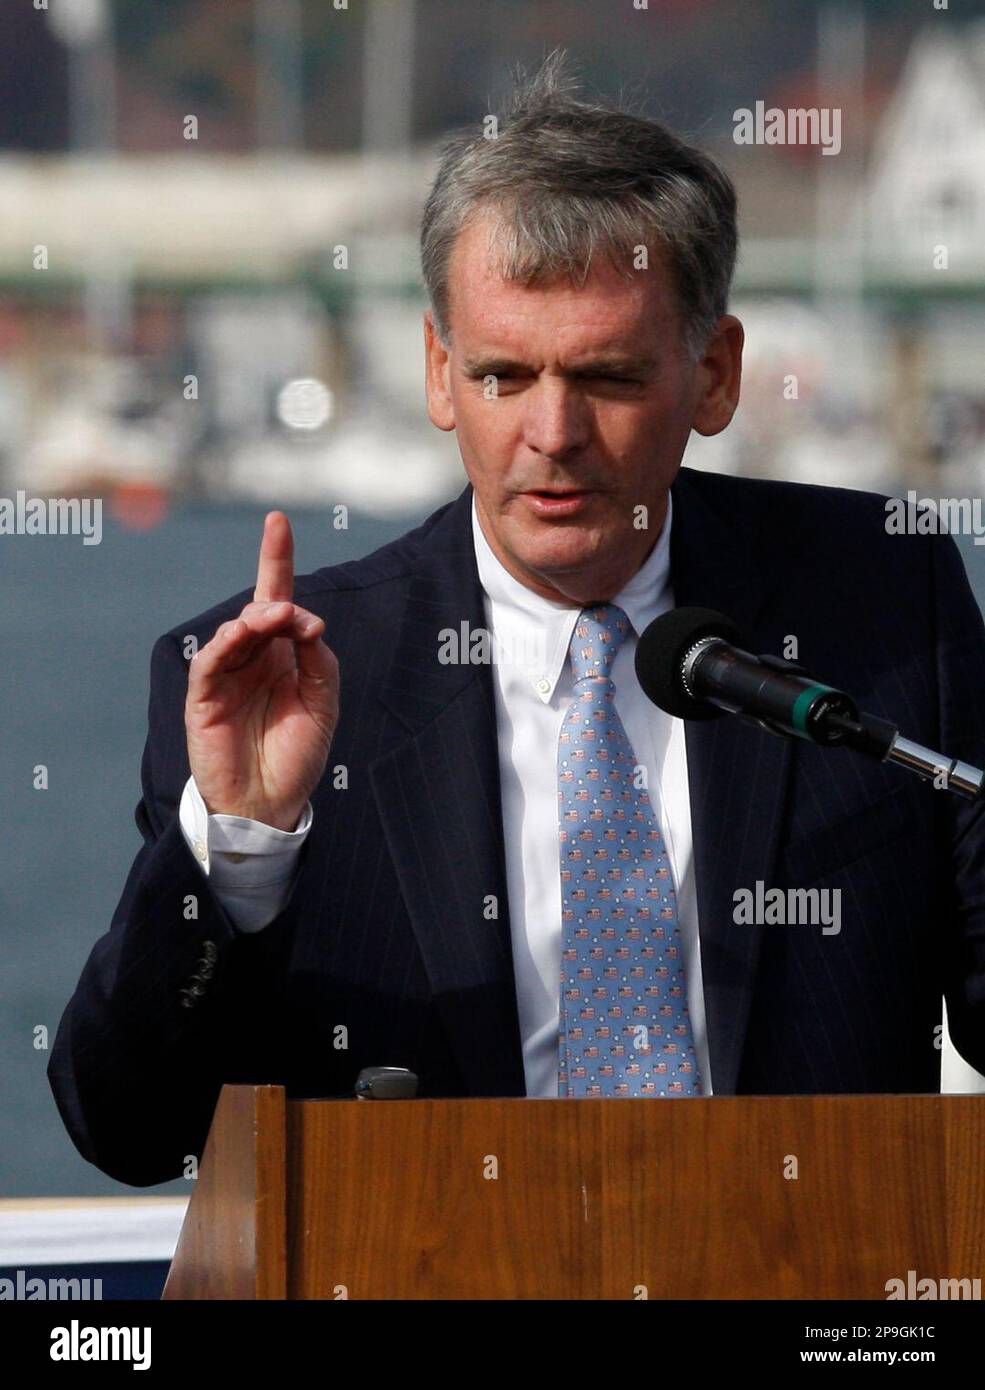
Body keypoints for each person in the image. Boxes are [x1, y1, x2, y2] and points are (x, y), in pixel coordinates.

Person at [49, 52, 985, 1186]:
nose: (552, 432)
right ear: (440, 375)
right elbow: (130, 1129)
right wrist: (241, 846)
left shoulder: (880, 598)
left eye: (607, 377)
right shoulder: (277, 682)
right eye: (502, 376)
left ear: (717, 375)